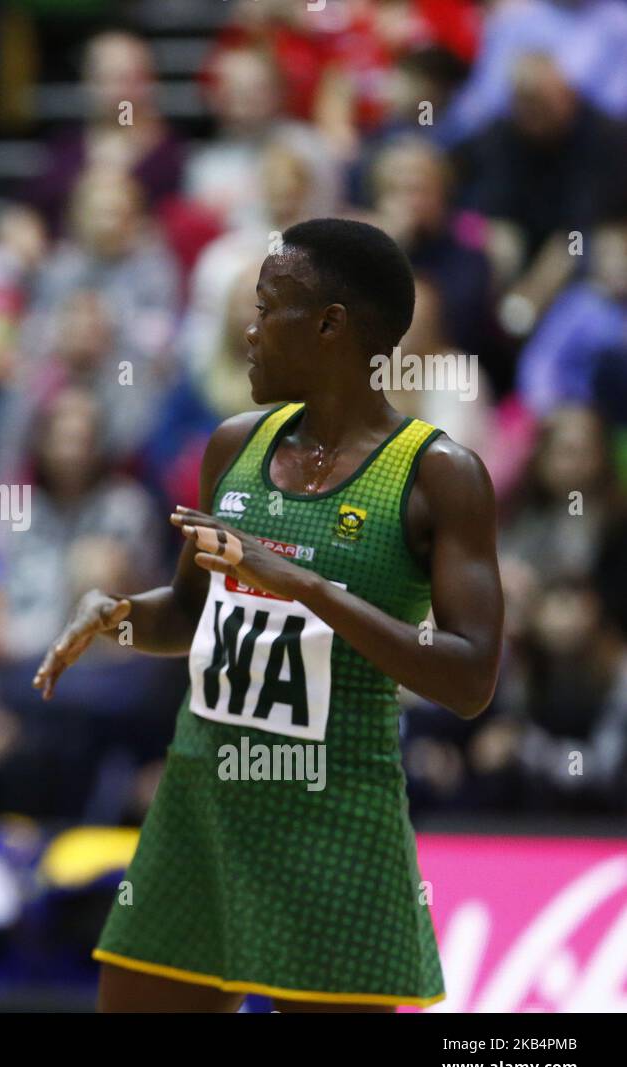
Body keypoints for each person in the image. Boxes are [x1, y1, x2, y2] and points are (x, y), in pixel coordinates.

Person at [34, 218, 503, 1012]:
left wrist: (308, 586)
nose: (245, 329)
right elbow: (187, 614)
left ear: (331, 326)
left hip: (336, 816)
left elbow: (468, 680)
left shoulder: (438, 474)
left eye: (267, 306)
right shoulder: (233, 446)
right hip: (200, 803)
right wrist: (113, 615)